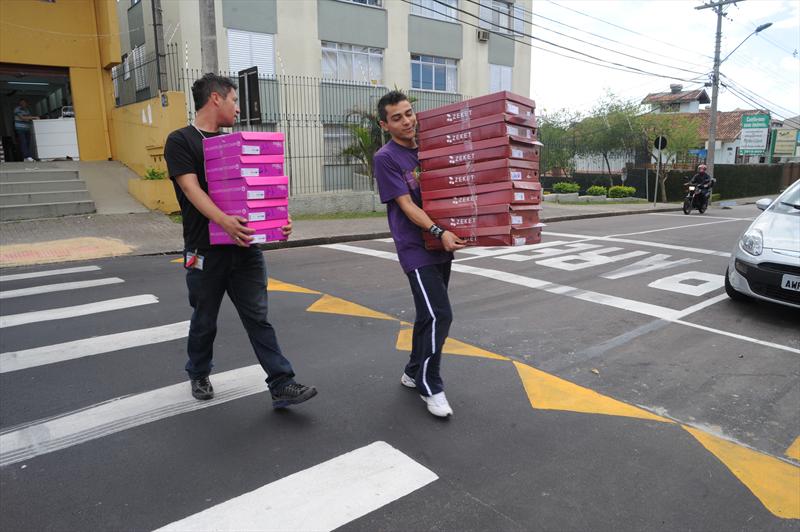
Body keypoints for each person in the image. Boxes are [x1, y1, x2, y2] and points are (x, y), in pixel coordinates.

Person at [163, 73, 317, 409]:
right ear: (215, 98)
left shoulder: (234, 144)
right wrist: (224, 222)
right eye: (234, 100)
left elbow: (258, 188)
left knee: (258, 318)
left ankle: (281, 383)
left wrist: (278, 221)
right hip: (204, 250)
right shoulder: (181, 140)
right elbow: (190, 188)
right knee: (205, 318)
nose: (238, 108)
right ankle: (198, 372)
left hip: (245, 248)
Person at [373, 90, 466, 418]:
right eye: (397, 117)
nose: (406, 121)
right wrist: (439, 231)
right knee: (441, 314)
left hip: (440, 243)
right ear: (385, 125)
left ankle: (413, 371)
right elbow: (406, 205)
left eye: (409, 113)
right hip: (416, 248)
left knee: (428, 314)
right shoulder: (386, 158)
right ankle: (430, 384)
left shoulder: (429, 149)